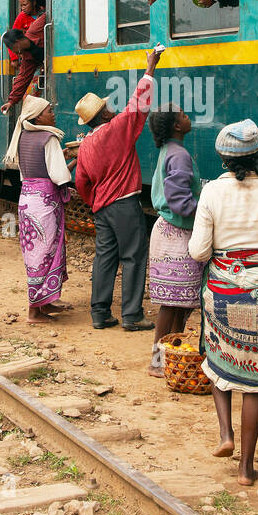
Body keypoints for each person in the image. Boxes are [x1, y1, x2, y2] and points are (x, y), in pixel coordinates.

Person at [189, 119, 258, 486]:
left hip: (221, 292)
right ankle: (245, 468)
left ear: (223, 158)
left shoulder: (211, 194)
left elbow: (198, 251)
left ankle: (225, 434)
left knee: (217, 360)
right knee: (254, 384)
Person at [75, 47, 162, 330]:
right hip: (125, 204)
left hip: (102, 208)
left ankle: (100, 313)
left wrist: (95, 201)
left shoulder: (85, 145)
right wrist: (150, 68)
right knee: (134, 256)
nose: (112, 108)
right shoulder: (117, 129)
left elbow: (81, 181)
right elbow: (139, 103)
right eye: (107, 106)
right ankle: (132, 315)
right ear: (102, 114)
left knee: (105, 257)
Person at [4, 94, 76, 324]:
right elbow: (59, 175)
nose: (53, 114)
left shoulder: (23, 136)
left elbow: (36, 170)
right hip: (45, 204)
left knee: (36, 254)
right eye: (49, 111)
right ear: (38, 117)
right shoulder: (49, 138)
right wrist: (73, 170)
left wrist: (66, 161)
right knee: (45, 253)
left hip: (28, 200)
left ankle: (45, 303)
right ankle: (34, 311)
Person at [145, 104, 202, 378]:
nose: (187, 115)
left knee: (179, 302)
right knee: (172, 302)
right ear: (176, 127)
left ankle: (171, 355)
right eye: (183, 114)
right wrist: (205, 212)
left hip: (168, 232)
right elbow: (179, 200)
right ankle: (157, 361)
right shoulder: (179, 155)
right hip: (177, 236)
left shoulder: (169, 151)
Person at [0, 12, 47, 114]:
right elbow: (23, 78)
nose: (14, 52)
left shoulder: (36, 28)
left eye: (12, 49)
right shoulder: (26, 57)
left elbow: (49, 15)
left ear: (17, 42)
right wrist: (11, 101)